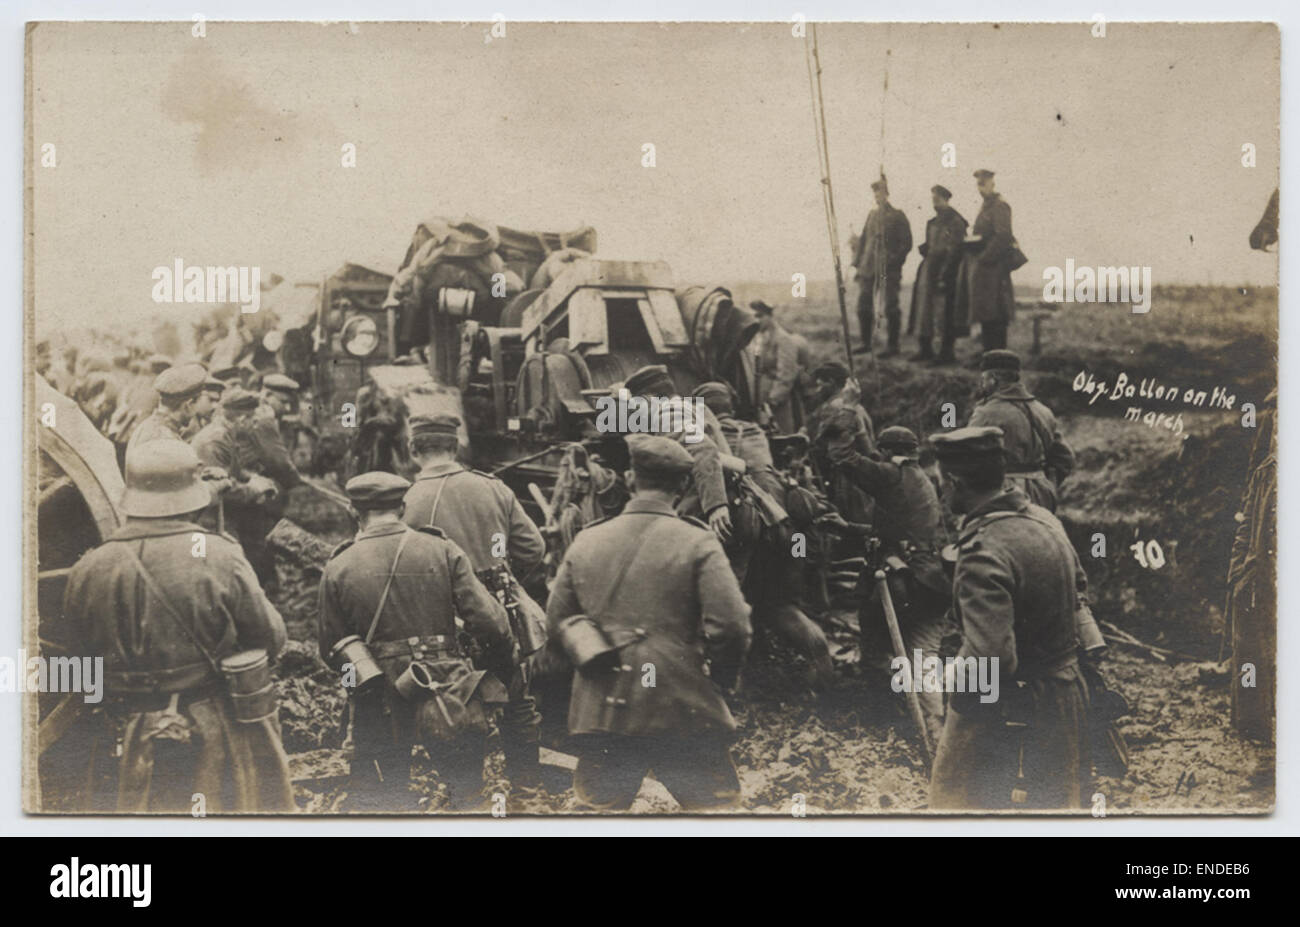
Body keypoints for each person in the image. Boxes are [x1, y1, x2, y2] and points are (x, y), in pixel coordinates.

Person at [62, 440, 293, 812]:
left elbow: (77, 665)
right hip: (210, 729)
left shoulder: (88, 568)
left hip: (127, 735)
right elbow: (271, 639)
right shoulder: (219, 554)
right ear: (192, 496)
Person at [546, 434, 752, 810]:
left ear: (628, 479)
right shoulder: (697, 541)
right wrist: (719, 680)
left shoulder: (586, 541)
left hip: (605, 706)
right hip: (681, 703)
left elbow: (557, 625)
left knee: (600, 812)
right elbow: (733, 625)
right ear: (684, 485)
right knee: (715, 811)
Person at [318, 471, 515, 812]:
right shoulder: (442, 549)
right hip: (448, 689)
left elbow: (331, 649)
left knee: (381, 803)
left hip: (377, 696)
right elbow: (493, 624)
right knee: (469, 799)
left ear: (353, 511)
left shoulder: (339, 566)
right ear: (404, 508)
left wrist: (355, 690)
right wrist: (487, 670)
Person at [927, 426, 1090, 810]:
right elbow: (1079, 589)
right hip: (1064, 699)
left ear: (953, 482)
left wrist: (951, 682)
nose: (940, 492)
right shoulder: (1044, 519)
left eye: (941, 483)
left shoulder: (983, 550)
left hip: (1009, 713)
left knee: (959, 809)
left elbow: (993, 660)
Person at [401, 412, 549, 789]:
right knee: (517, 701)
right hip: (500, 611)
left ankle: (469, 798)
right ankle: (527, 790)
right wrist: (501, 574)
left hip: (442, 619)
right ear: (456, 446)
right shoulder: (492, 487)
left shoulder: (406, 501)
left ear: (413, 449)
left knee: (458, 702)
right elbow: (533, 548)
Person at [824, 425, 952, 741]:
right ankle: (936, 734)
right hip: (931, 580)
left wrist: (845, 418)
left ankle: (887, 729)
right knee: (923, 659)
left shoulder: (893, 476)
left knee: (878, 652)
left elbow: (844, 458)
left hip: (903, 582)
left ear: (885, 453)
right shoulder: (924, 479)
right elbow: (894, 531)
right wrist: (848, 528)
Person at [622, 364, 733, 545]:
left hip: (706, 511)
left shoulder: (669, 414)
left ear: (649, 399)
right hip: (730, 500)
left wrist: (715, 505)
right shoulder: (693, 407)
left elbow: (703, 447)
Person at [191, 388, 282, 584]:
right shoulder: (214, 440)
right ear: (242, 419)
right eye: (253, 421)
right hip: (207, 522)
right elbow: (220, 489)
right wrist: (254, 489)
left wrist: (256, 479)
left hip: (219, 514)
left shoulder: (225, 433)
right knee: (225, 569)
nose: (254, 426)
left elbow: (234, 471)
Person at [1227, 390, 1276, 742]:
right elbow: (1247, 520)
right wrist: (1238, 570)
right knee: (1251, 650)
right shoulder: (1266, 472)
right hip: (1259, 571)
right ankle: (1254, 722)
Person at [967, 349, 1073, 512]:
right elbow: (1065, 458)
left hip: (1002, 496)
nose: (982, 384)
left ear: (994, 380)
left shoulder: (985, 413)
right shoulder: (1043, 411)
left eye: (984, 379)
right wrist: (1047, 483)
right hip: (1041, 492)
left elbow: (968, 459)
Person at [908, 185, 968, 364]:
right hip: (929, 269)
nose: (934, 202)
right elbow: (931, 244)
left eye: (938, 199)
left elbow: (956, 249)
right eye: (933, 198)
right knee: (924, 311)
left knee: (945, 313)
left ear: (946, 199)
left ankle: (946, 353)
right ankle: (925, 350)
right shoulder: (932, 222)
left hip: (946, 271)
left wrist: (946, 273)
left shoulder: (955, 221)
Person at [852, 178, 912, 356]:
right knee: (863, 306)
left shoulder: (898, 215)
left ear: (887, 194)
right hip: (868, 269)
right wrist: (858, 263)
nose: (878, 195)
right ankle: (866, 343)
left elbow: (906, 243)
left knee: (890, 307)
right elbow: (863, 241)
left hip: (888, 270)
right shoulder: (871, 215)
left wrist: (893, 262)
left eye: (881, 192)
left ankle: (893, 346)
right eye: (875, 192)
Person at [963, 169, 1017, 352]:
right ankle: (988, 356)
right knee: (987, 315)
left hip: (995, 270)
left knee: (997, 316)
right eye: (978, 184)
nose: (981, 188)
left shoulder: (999, 206)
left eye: (984, 183)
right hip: (985, 271)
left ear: (992, 184)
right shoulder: (985, 206)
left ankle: (998, 359)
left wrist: (984, 257)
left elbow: (1003, 236)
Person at [125, 363, 208, 453]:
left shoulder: (145, 426)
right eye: (196, 405)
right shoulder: (168, 440)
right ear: (188, 405)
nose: (195, 413)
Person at [750, 300, 802, 434]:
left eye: (760, 316)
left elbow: (787, 374)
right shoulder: (758, 338)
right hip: (760, 399)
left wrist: (772, 400)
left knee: (782, 436)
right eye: (754, 316)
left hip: (777, 402)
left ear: (770, 316)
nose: (757, 320)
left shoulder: (783, 339)